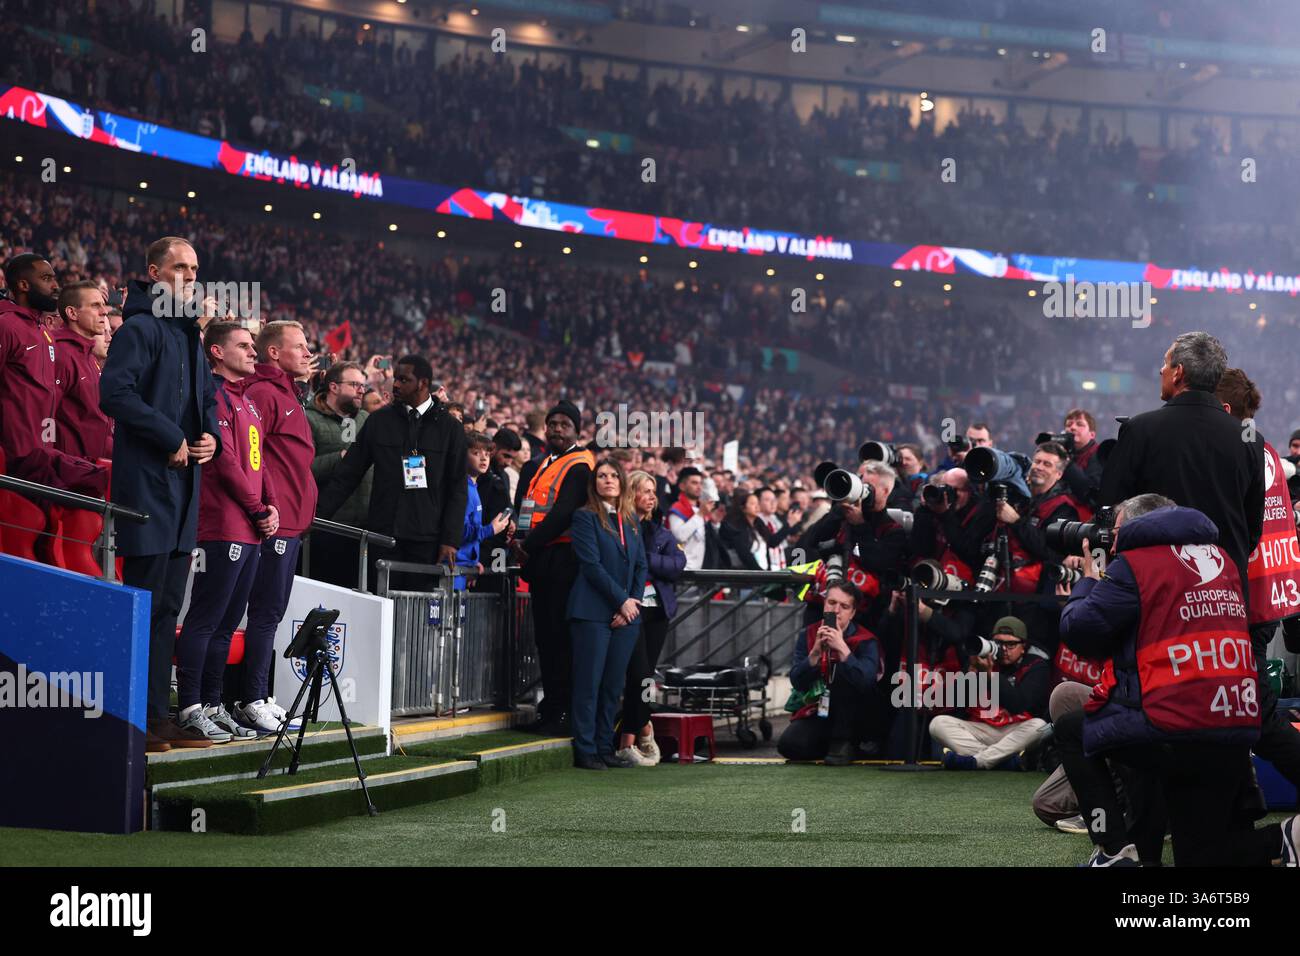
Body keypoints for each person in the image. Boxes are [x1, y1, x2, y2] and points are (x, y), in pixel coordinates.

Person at [1056, 493, 1298, 867]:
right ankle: (1282, 840)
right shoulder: (1223, 560)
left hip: (1170, 724)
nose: (1111, 538)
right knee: (1201, 856)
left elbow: (1080, 630)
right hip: (1231, 724)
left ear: (1137, 527)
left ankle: (1115, 851)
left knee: (1074, 727)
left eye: (1116, 529)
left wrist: (1088, 581)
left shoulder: (1135, 565)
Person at [99, 237, 221, 751]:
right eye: (180, 268)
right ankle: (131, 720)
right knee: (145, 605)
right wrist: (168, 436)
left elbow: (205, 402)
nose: (190, 276)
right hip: (148, 486)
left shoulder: (188, 337)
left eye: (195, 269)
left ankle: (157, 718)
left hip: (183, 490)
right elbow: (114, 394)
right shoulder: (141, 328)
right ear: (154, 273)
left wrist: (209, 434)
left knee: (168, 606)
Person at [1100, 331, 1264, 599]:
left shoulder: (1140, 430)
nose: (1161, 370)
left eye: (1165, 363)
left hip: (1157, 591)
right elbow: (1252, 529)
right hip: (1226, 592)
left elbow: (1109, 510)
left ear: (1178, 372)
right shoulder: (1251, 440)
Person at [174, 322, 276, 743]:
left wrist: (270, 505)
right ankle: (190, 708)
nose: (254, 352)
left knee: (228, 623)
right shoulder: (212, 395)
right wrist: (256, 508)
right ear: (215, 351)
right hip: (223, 524)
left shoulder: (246, 400)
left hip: (250, 526)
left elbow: (260, 460)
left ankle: (214, 704)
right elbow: (225, 462)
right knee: (204, 619)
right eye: (244, 345)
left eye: (254, 345)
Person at [317, 354, 468, 590]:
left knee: (416, 614)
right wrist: (317, 515)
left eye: (404, 379)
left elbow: (457, 488)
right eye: (395, 378)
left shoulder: (450, 429)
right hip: (383, 537)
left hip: (426, 541)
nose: (396, 384)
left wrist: (450, 540)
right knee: (380, 609)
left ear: (423, 383)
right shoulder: (379, 421)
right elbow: (348, 475)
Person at [233, 320, 317, 733]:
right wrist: (267, 504)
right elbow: (253, 455)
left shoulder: (287, 393)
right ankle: (250, 698)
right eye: (299, 346)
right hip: (274, 521)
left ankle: (259, 695)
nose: (307, 353)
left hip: (292, 521)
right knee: (264, 612)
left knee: (272, 613)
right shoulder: (264, 393)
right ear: (273, 353)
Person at [511, 401, 595, 733]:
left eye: (564, 424)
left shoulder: (579, 465)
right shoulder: (543, 463)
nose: (557, 429)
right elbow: (525, 506)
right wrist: (519, 539)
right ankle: (551, 709)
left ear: (577, 430)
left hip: (563, 559)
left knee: (560, 639)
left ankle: (562, 711)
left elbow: (562, 514)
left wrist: (526, 544)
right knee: (545, 639)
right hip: (540, 560)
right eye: (552, 423)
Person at [0, 254, 107, 495]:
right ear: (23, 285)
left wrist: (48, 446)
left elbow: (48, 402)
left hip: (42, 456)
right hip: (14, 459)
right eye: (46, 278)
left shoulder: (43, 333)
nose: (55, 286)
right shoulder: (7, 325)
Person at [567, 458, 648, 770]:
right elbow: (591, 566)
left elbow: (641, 565)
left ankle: (604, 746)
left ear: (622, 481)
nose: (608, 480)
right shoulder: (584, 516)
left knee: (613, 685)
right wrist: (621, 602)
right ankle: (585, 748)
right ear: (594, 483)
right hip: (591, 611)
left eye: (614, 475)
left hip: (626, 614)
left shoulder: (630, 521)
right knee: (589, 682)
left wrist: (632, 603)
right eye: (602, 476)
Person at [616, 470, 686, 766]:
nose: (651, 496)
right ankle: (636, 735)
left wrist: (648, 560)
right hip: (630, 610)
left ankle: (631, 737)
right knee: (639, 675)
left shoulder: (661, 531)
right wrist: (653, 562)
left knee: (644, 678)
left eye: (653, 491)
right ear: (630, 494)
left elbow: (678, 565)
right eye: (644, 491)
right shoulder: (620, 527)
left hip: (657, 611)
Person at [777, 581, 882, 764]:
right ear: (824, 604)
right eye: (832, 603)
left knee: (841, 669)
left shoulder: (866, 640)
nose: (836, 610)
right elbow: (797, 681)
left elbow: (867, 682)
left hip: (856, 714)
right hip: (820, 710)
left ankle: (845, 743)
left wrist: (842, 649)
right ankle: (830, 745)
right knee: (789, 745)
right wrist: (815, 654)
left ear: (853, 612)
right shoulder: (809, 633)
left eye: (844, 606)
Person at [930, 616, 1051, 770]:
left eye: (1011, 644)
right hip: (981, 729)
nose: (1004, 650)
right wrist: (970, 676)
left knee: (1039, 727)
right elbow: (955, 700)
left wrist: (989, 676)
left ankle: (977, 761)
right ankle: (1002, 761)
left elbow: (1018, 704)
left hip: (1015, 731)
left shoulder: (1036, 666)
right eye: (999, 643)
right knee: (938, 724)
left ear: (1024, 646)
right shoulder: (981, 659)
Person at [306, 361, 372, 589]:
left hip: (365, 529)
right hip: (327, 527)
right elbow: (304, 469)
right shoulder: (309, 419)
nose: (361, 390)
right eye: (354, 384)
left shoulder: (366, 419)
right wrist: (342, 457)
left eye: (363, 385)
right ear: (333, 387)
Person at [52, 280, 113, 461]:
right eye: (95, 306)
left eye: (103, 304)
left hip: (92, 470)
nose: (104, 311)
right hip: (70, 475)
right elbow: (44, 416)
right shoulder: (61, 354)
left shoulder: (89, 356)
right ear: (72, 313)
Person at [456, 430, 511, 589]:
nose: (483, 458)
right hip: (454, 570)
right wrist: (491, 529)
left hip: (464, 568)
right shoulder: (463, 488)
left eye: (487, 454)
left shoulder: (473, 487)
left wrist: (473, 562)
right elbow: (458, 532)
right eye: (476, 453)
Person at [666, 465, 707, 570]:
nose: (699, 487)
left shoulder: (701, 508)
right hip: (683, 570)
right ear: (682, 486)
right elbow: (679, 536)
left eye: (700, 483)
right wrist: (699, 516)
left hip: (701, 570)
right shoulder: (677, 508)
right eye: (694, 483)